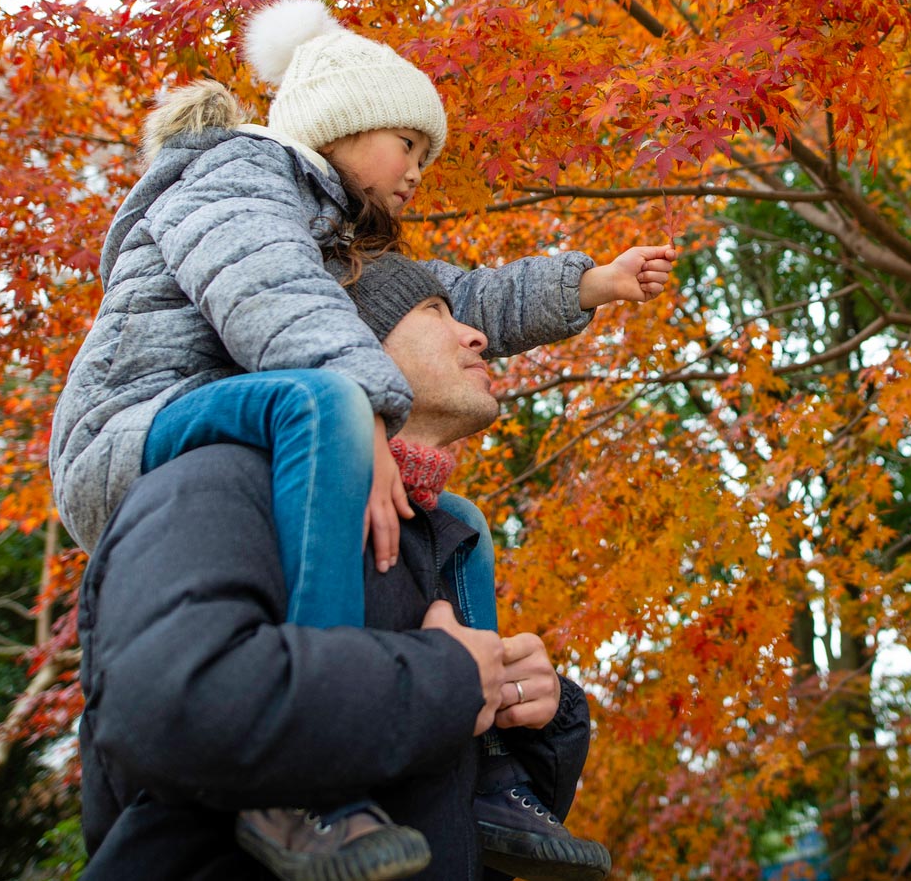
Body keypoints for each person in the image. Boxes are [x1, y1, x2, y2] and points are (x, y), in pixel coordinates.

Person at [50, 0, 668, 880]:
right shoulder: (243, 178)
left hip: (243, 410)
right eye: (407, 143)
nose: (418, 167)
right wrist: (368, 406)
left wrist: (587, 284)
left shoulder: (336, 252)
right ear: (339, 125)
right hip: (137, 423)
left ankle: (492, 774)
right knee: (325, 407)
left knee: (457, 518)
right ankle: (307, 782)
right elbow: (269, 291)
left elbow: (475, 294)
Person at [78, 258, 607, 880]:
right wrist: (452, 678)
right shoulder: (217, 482)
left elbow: (447, 826)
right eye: (436, 312)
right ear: (351, 341)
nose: (476, 335)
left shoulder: (439, 541)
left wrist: (533, 718)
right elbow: (174, 709)